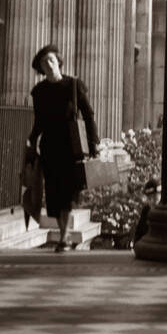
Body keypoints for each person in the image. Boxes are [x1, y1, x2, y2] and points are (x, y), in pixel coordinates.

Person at [27, 44, 99, 251]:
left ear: (59, 61)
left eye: (50, 60)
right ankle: (63, 235)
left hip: (71, 147)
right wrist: (32, 139)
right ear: (41, 69)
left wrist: (94, 142)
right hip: (50, 147)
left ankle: (64, 237)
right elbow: (39, 121)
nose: (48, 65)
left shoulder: (74, 85)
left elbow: (88, 114)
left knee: (67, 193)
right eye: (43, 62)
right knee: (53, 193)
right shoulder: (39, 92)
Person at [131, 176, 160, 249]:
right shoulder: (146, 210)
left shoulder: (165, 211)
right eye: (149, 198)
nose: (152, 200)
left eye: (155, 197)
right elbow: (139, 232)